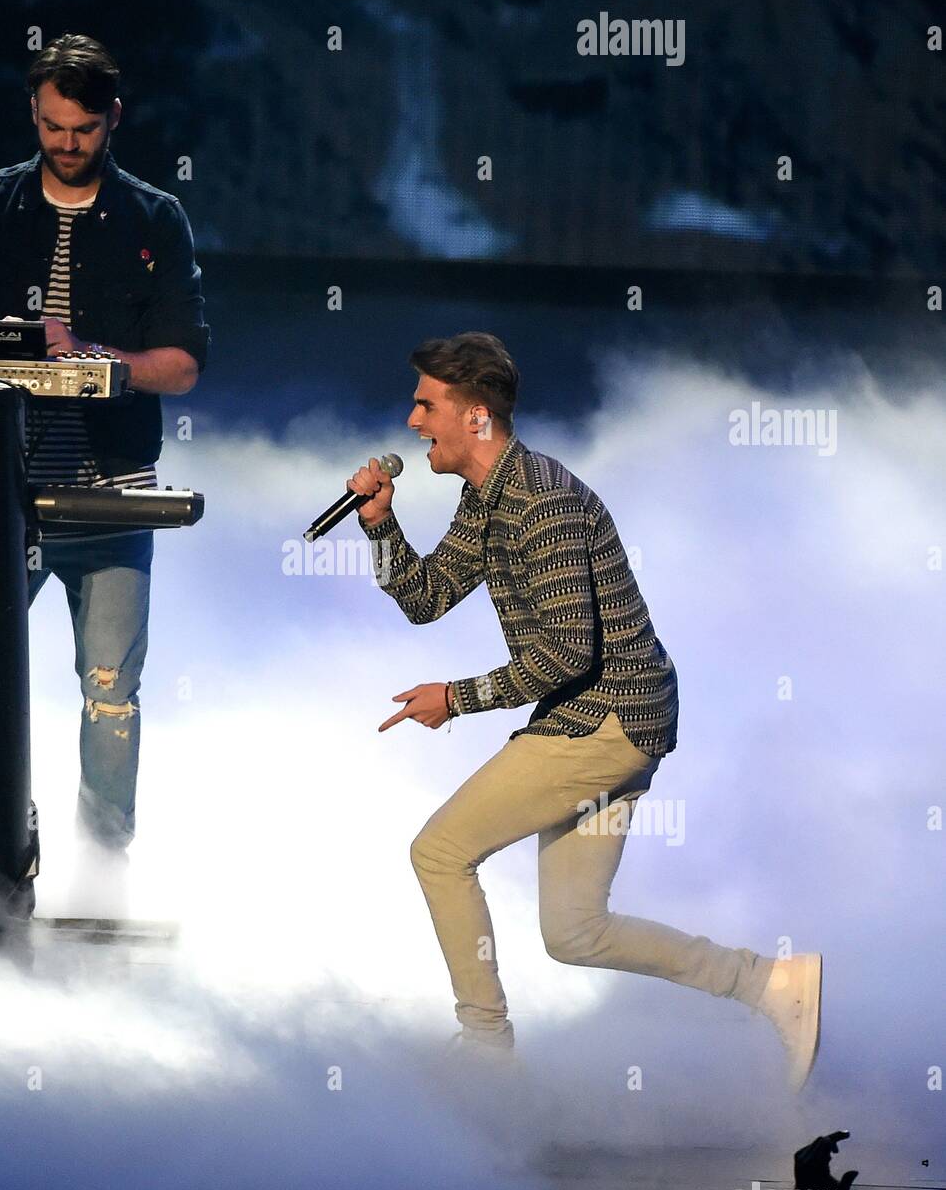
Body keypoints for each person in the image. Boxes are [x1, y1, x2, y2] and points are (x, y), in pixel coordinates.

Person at [348, 332, 822, 1091]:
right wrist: (379, 523)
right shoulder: (489, 494)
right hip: (606, 718)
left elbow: (567, 654)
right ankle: (770, 984)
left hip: (604, 720)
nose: (411, 422)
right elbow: (427, 597)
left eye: (425, 405)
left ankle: (486, 1057)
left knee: (438, 853)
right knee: (575, 932)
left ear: (475, 417)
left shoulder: (539, 501)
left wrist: (457, 699)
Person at [0, 34, 209, 904]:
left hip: (111, 490)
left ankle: (100, 887)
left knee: (110, 694)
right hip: (2, 487)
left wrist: (89, 356)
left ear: (112, 118)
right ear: (33, 115)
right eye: (51, 126)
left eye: (81, 129)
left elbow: (183, 363)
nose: (66, 143)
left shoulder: (155, 217)